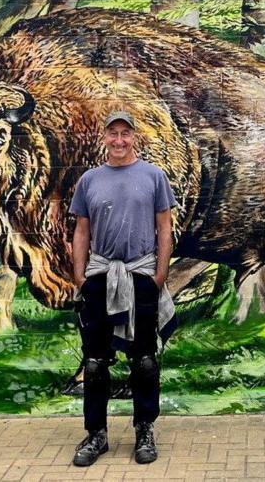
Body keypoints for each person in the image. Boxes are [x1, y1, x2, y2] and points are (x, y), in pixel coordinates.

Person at [69, 110, 177, 467]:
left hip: (141, 274)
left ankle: (144, 429)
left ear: (134, 137)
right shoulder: (89, 180)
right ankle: (96, 434)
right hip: (100, 275)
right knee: (95, 362)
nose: (119, 140)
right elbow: (81, 231)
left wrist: (159, 275)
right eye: (113, 133)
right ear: (104, 138)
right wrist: (81, 277)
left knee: (144, 359)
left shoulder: (154, 176)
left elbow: (165, 228)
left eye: (125, 133)